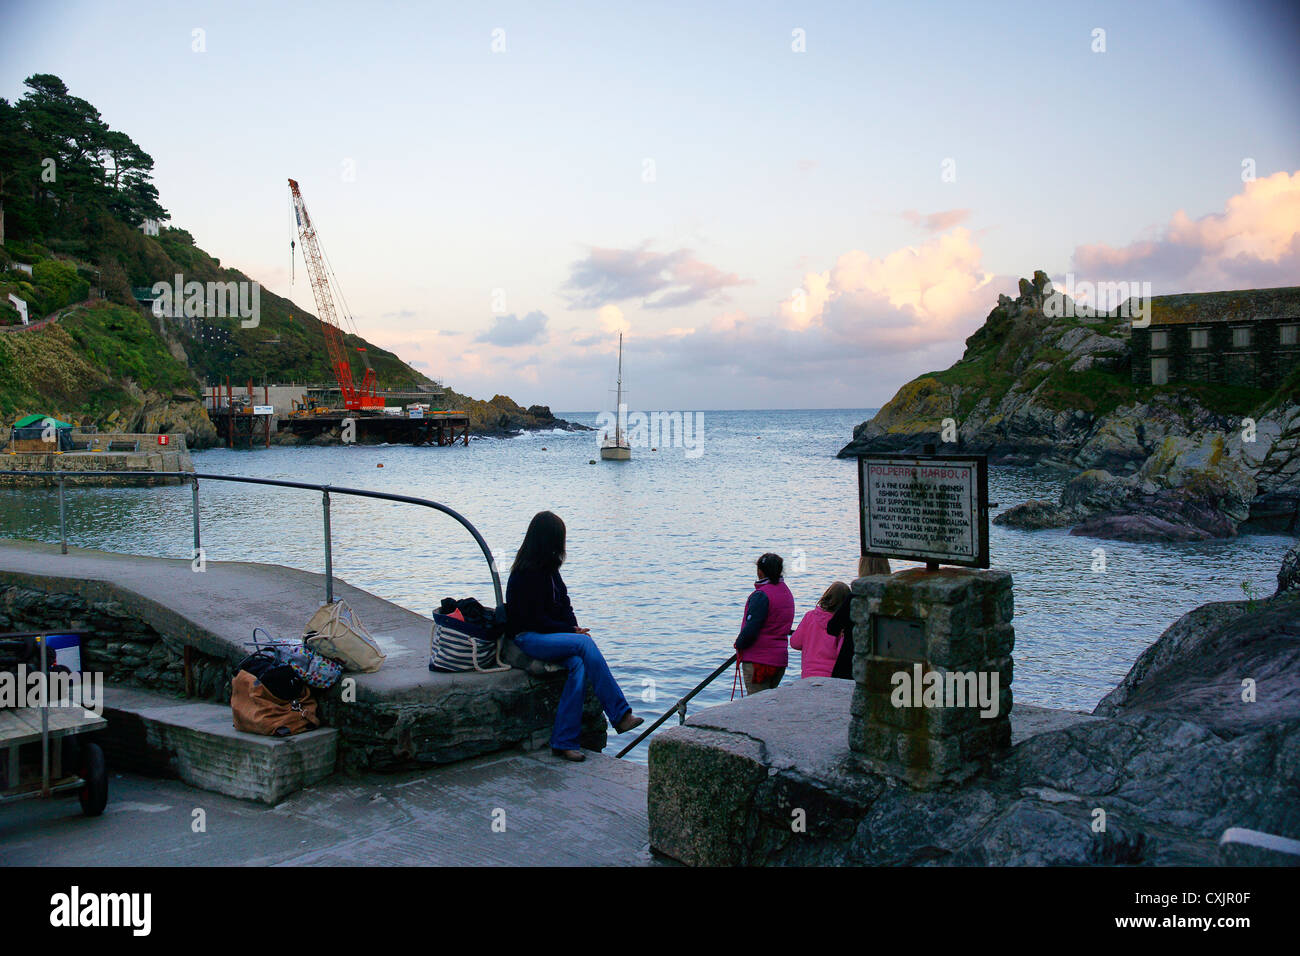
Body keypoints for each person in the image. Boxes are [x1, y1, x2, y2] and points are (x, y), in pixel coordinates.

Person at [505, 511, 643, 762]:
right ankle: (620, 714)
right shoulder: (525, 574)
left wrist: (573, 627)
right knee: (584, 644)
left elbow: (564, 607)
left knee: (577, 665)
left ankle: (564, 741)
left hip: (549, 636)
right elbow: (533, 620)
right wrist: (570, 633)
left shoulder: (551, 572)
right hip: (528, 637)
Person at [733, 552, 795, 694]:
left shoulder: (761, 595)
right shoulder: (786, 592)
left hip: (759, 661)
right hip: (779, 660)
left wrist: (739, 644)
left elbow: (751, 628)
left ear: (760, 572)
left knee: (755, 705)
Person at [827, 555, 891, 679]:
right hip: (882, 664)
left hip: (850, 663)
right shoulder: (892, 597)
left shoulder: (855, 597)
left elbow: (832, 627)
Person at [790, 581, 851, 679]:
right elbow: (842, 653)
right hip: (832, 677)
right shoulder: (843, 625)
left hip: (808, 676)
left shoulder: (810, 616)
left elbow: (795, 643)